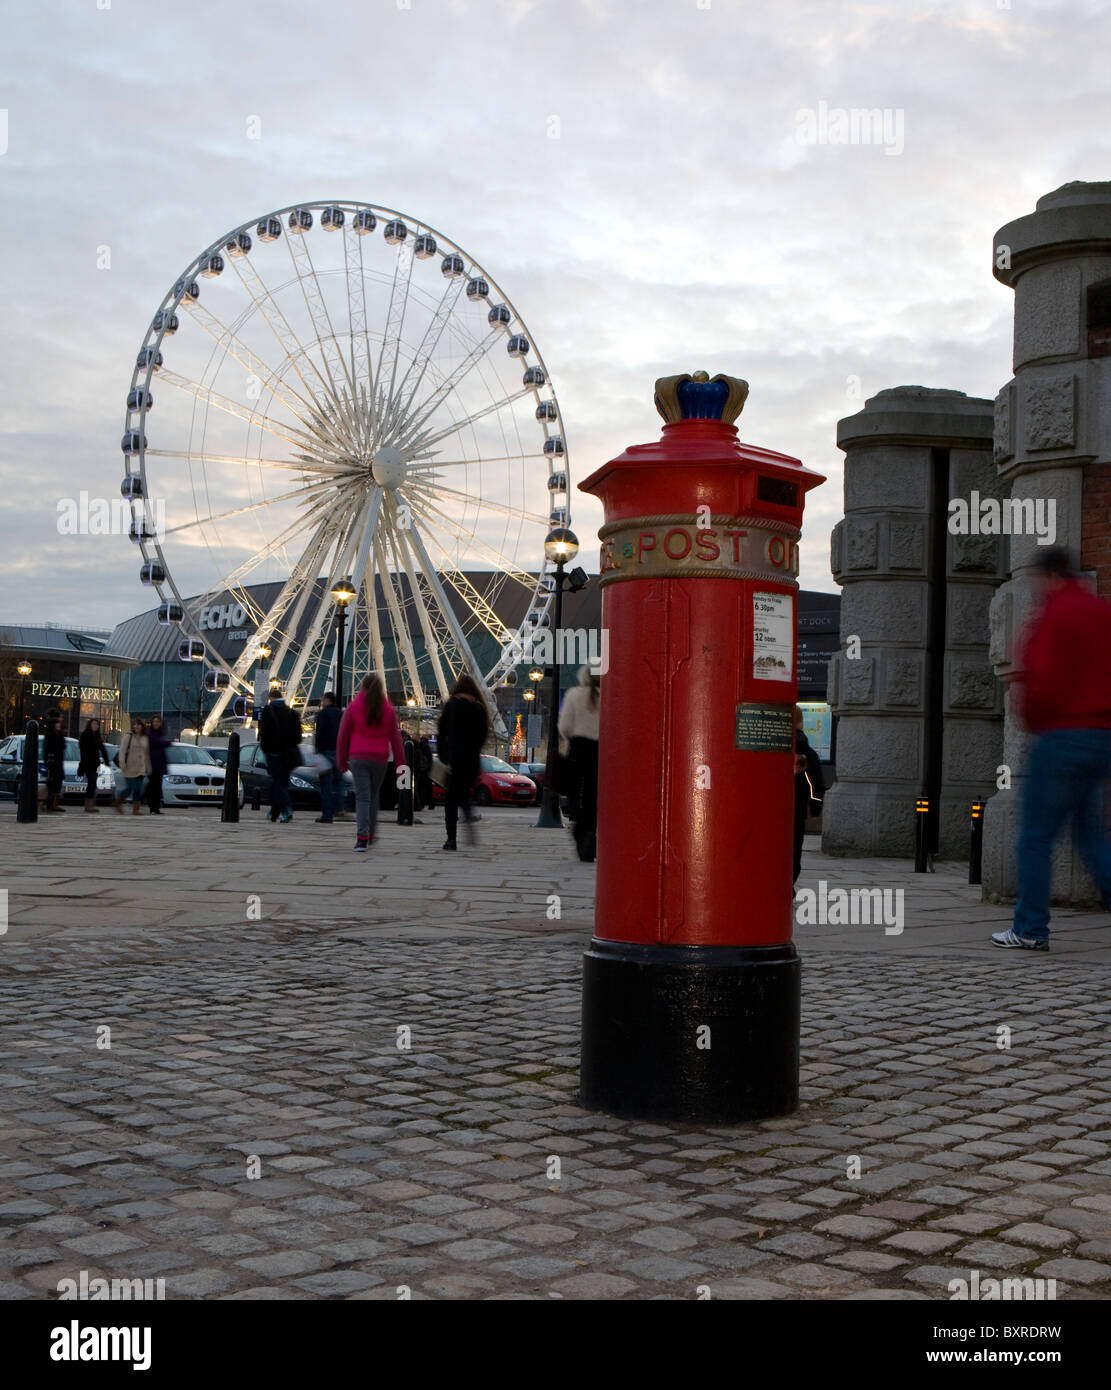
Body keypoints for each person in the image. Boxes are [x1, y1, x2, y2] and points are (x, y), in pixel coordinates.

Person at [991, 547, 1111, 951]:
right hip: (1102, 736)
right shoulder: (1101, 613)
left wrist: (1031, 717)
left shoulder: (1055, 615)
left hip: (1061, 737)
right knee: (1090, 834)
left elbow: (1040, 676)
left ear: (1052, 576)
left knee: (1037, 837)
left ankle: (1029, 927)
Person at [336, 674, 406, 851]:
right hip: (380, 758)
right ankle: (371, 834)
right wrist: (401, 764)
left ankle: (361, 838)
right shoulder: (388, 710)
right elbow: (396, 740)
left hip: (358, 757)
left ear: (362, 686)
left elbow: (343, 735)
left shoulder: (354, 706)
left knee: (363, 798)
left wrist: (341, 759)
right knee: (374, 797)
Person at [437, 674, 488, 851]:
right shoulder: (480, 709)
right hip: (472, 760)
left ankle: (451, 839)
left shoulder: (452, 706)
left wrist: (444, 756)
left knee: (451, 799)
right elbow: (483, 735)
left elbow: (442, 732)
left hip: (455, 759)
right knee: (464, 793)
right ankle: (468, 814)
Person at [558, 665, 601, 862]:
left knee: (573, 792)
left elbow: (565, 726)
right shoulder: (607, 696)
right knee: (593, 795)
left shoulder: (574, 695)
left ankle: (578, 829)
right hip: (599, 750)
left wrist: (569, 738)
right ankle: (589, 833)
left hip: (577, 747)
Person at [258, 686, 302, 824]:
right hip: (288, 754)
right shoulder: (292, 713)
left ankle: (286, 810)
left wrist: (266, 749)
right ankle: (274, 813)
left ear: (271, 698)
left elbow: (263, 734)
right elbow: (298, 737)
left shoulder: (267, 711)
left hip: (273, 753)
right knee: (281, 783)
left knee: (278, 783)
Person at [793, 705, 824, 885]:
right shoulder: (808, 752)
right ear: (801, 722)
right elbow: (815, 782)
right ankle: (789, 885)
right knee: (795, 849)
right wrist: (815, 807)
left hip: (770, 810)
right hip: (796, 809)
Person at [313, 691, 342, 824]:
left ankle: (327, 814)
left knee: (326, 784)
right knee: (339, 782)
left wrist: (317, 750)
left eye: (323, 699)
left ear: (327, 700)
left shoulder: (322, 714)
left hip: (326, 751)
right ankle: (339, 808)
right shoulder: (340, 713)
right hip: (338, 751)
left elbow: (319, 733)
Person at [115, 717, 151, 816]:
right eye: (134, 724)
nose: (136, 726)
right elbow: (122, 751)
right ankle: (118, 802)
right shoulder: (128, 736)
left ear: (142, 726)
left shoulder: (145, 737)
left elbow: (146, 754)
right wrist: (122, 763)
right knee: (130, 788)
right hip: (129, 767)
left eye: (138, 724)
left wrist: (148, 767)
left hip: (141, 768)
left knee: (139, 789)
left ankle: (136, 809)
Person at [78, 717, 111, 813]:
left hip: (95, 764)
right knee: (91, 782)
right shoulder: (85, 735)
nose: (95, 726)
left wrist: (106, 761)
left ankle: (90, 804)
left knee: (93, 783)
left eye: (97, 725)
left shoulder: (97, 736)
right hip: (87, 763)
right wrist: (82, 764)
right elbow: (83, 751)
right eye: (94, 724)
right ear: (90, 725)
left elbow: (102, 749)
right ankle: (88, 805)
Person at [41, 708, 68, 814]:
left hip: (58, 761)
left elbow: (62, 746)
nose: (61, 721)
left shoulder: (59, 733)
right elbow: (48, 748)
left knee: (56, 782)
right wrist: (48, 759)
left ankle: (51, 803)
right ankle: (47, 803)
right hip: (53, 761)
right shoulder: (50, 734)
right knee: (52, 783)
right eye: (60, 718)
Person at [146, 715, 170, 814]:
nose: (156, 723)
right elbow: (157, 742)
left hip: (159, 763)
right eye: (154, 721)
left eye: (158, 722)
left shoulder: (160, 734)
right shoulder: (150, 734)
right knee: (152, 785)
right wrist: (166, 742)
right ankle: (152, 805)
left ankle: (155, 807)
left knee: (157, 786)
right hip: (151, 763)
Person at [415, 735, 433, 812]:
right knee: (425, 787)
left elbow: (428, 759)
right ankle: (428, 803)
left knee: (423, 787)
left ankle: (426, 803)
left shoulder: (423, 746)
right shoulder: (423, 746)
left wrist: (427, 768)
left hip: (424, 770)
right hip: (424, 769)